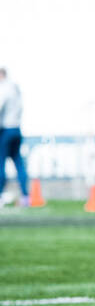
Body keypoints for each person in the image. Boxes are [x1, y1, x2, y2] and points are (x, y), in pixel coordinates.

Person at [0, 69, 28, 207]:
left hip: (5, 129)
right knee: (18, 163)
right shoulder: (15, 88)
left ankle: (0, 195)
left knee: (1, 163)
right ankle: (25, 196)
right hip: (17, 128)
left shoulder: (3, 88)